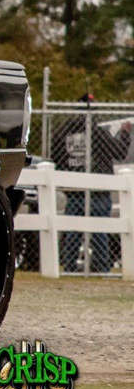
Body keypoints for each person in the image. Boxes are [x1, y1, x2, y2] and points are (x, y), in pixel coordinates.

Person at [51, 93, 132, 272]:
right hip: (98, 190)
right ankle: (101, 267)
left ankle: (70, 267)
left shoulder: (64, 131)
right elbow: (119, 152)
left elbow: (55, 156)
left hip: (74, 188)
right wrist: (124, 134)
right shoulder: (97, 132)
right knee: (99, 231)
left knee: (73, 231)